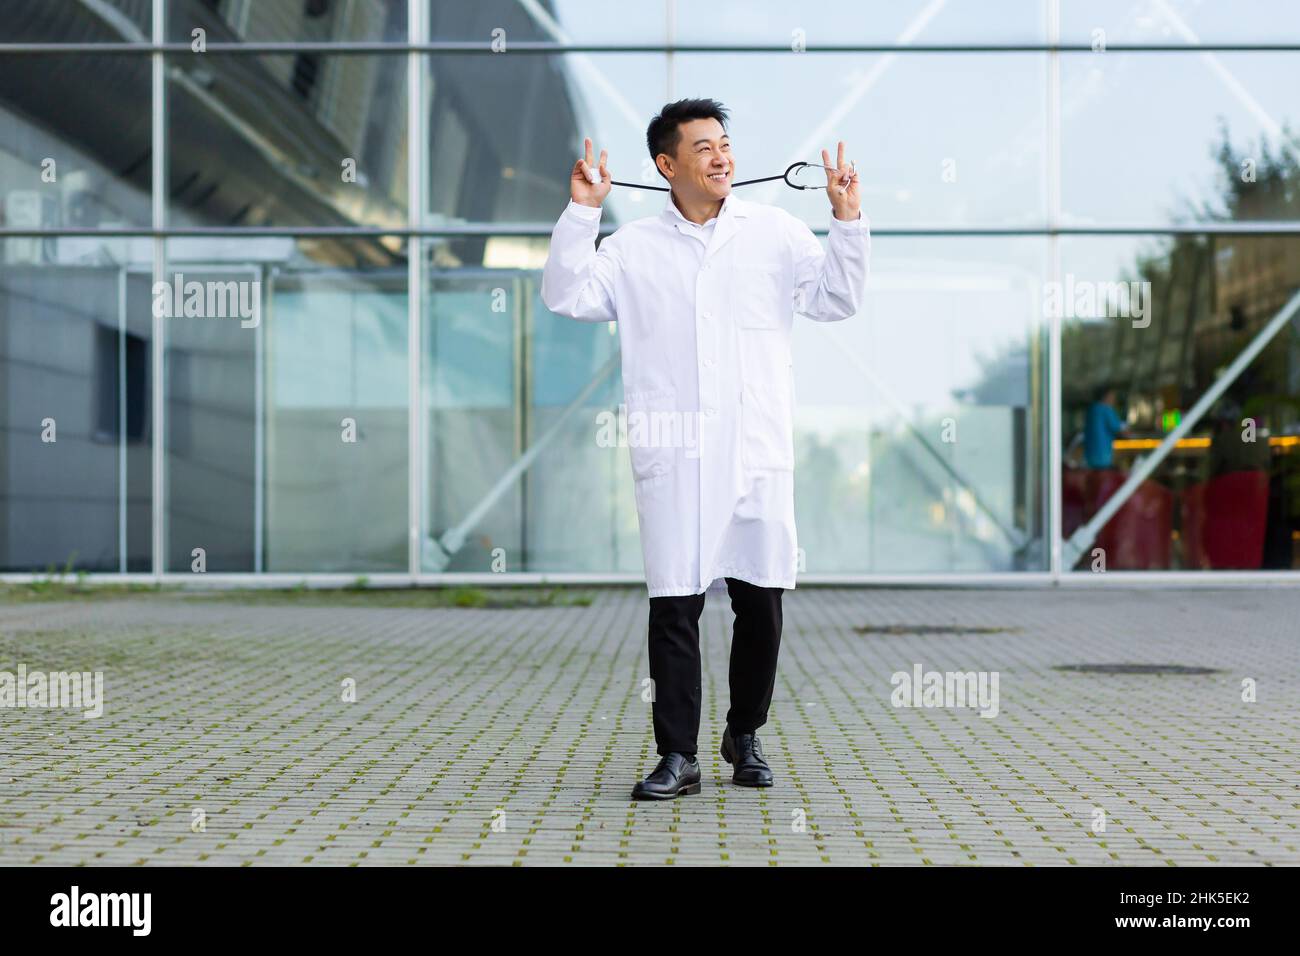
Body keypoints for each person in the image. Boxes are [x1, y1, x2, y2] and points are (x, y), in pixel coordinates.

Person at [541, 98, 870, 799]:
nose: (721, 157)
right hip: (677, 451)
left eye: (724, 143)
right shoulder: (632, 249)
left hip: (755, 450)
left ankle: (744, 734)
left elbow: (837, 299)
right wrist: (582, 212)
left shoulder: (775, 232)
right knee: (675, 604)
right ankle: (678, 756)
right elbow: (566, 294)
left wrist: (846, 218)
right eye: (703, 147)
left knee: (762, 602)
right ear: (667, 166)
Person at [1083, 386, 1130, 470]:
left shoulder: (1091, 410)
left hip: (1089, 458)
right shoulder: (1106, 410)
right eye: (1112, 396)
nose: (1114, 399)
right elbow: (1122, 432)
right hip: (1102, 458)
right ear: (1106, 396)